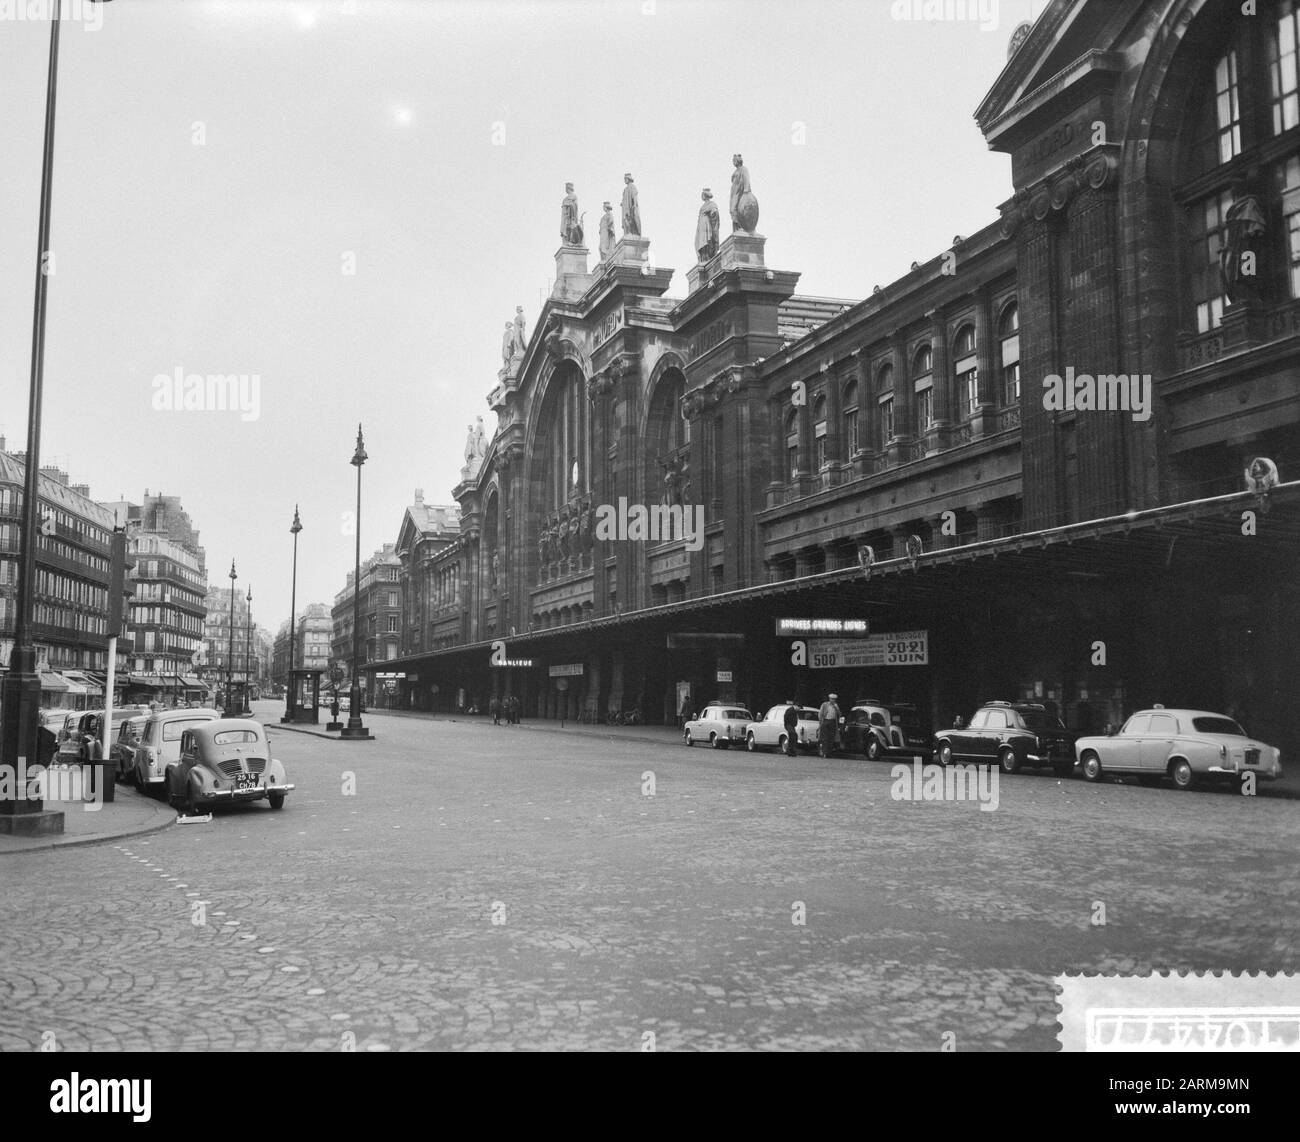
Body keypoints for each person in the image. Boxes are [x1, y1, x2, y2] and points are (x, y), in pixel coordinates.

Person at [818, 693, 842, 758]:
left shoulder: (836, 706)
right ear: (829, 699)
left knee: (831, 738)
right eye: (832, 699)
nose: (833, 700)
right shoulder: (825, 704)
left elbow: (840, 715)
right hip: (826, 721)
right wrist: (820, 722)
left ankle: (829, 753)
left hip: (833, 722)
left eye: (834, 699)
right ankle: (824, 753)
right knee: (825, 738)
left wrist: (837, 708)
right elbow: (820, 714)